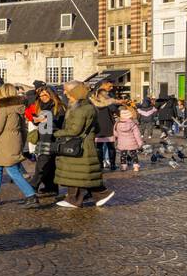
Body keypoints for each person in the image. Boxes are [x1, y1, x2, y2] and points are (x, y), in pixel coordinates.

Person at [54, 81, 115, 209]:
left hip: (80, 145)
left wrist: (55, 133)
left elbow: (74, 130)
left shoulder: (81, 109)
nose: (64, 93)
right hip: (84, 144)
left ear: (74, 92)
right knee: (80, 173)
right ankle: (93, 196)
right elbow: (96, 128)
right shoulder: (83, 106)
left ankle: (79, 198)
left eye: (66, 90)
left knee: (78, 172)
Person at [0, 84, 36, 206]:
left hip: (3, 143)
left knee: (12, 170)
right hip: (13, 142)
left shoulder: (3, 108)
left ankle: (31, 196)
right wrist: (21, 143)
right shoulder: (19, 107)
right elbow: (23, 129)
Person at [26, 86, 66, 204]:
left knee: (42, 163)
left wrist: (48, 120)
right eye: (41, 96)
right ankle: (51, 187)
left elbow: (60, 122)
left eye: (45, 95)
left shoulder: (58, 107)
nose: (43, 98)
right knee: (50, 164)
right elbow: (36, 119)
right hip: (43, 136)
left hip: (53, 138)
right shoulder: (40, 106)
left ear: (51, 95)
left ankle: (33, 186)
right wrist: (36, 120)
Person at [91, 84, 121, 173]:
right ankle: (112, 165)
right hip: (108, 125)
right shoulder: (109, 103)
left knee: (99, 147)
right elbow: (115, 110)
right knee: (111, 146)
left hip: (98, 126)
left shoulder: (93, 103)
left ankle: (100, 165)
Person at [115, 101, 145, 169]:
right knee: (133, 154)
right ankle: (136, 166)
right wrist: (140, 143)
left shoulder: (117, 124)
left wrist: (116, 138)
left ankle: (123, 166)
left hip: (122, 143)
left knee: (123, 154)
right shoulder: (132, 124)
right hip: (132, 143)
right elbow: (137, 134)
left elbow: (115, 133)